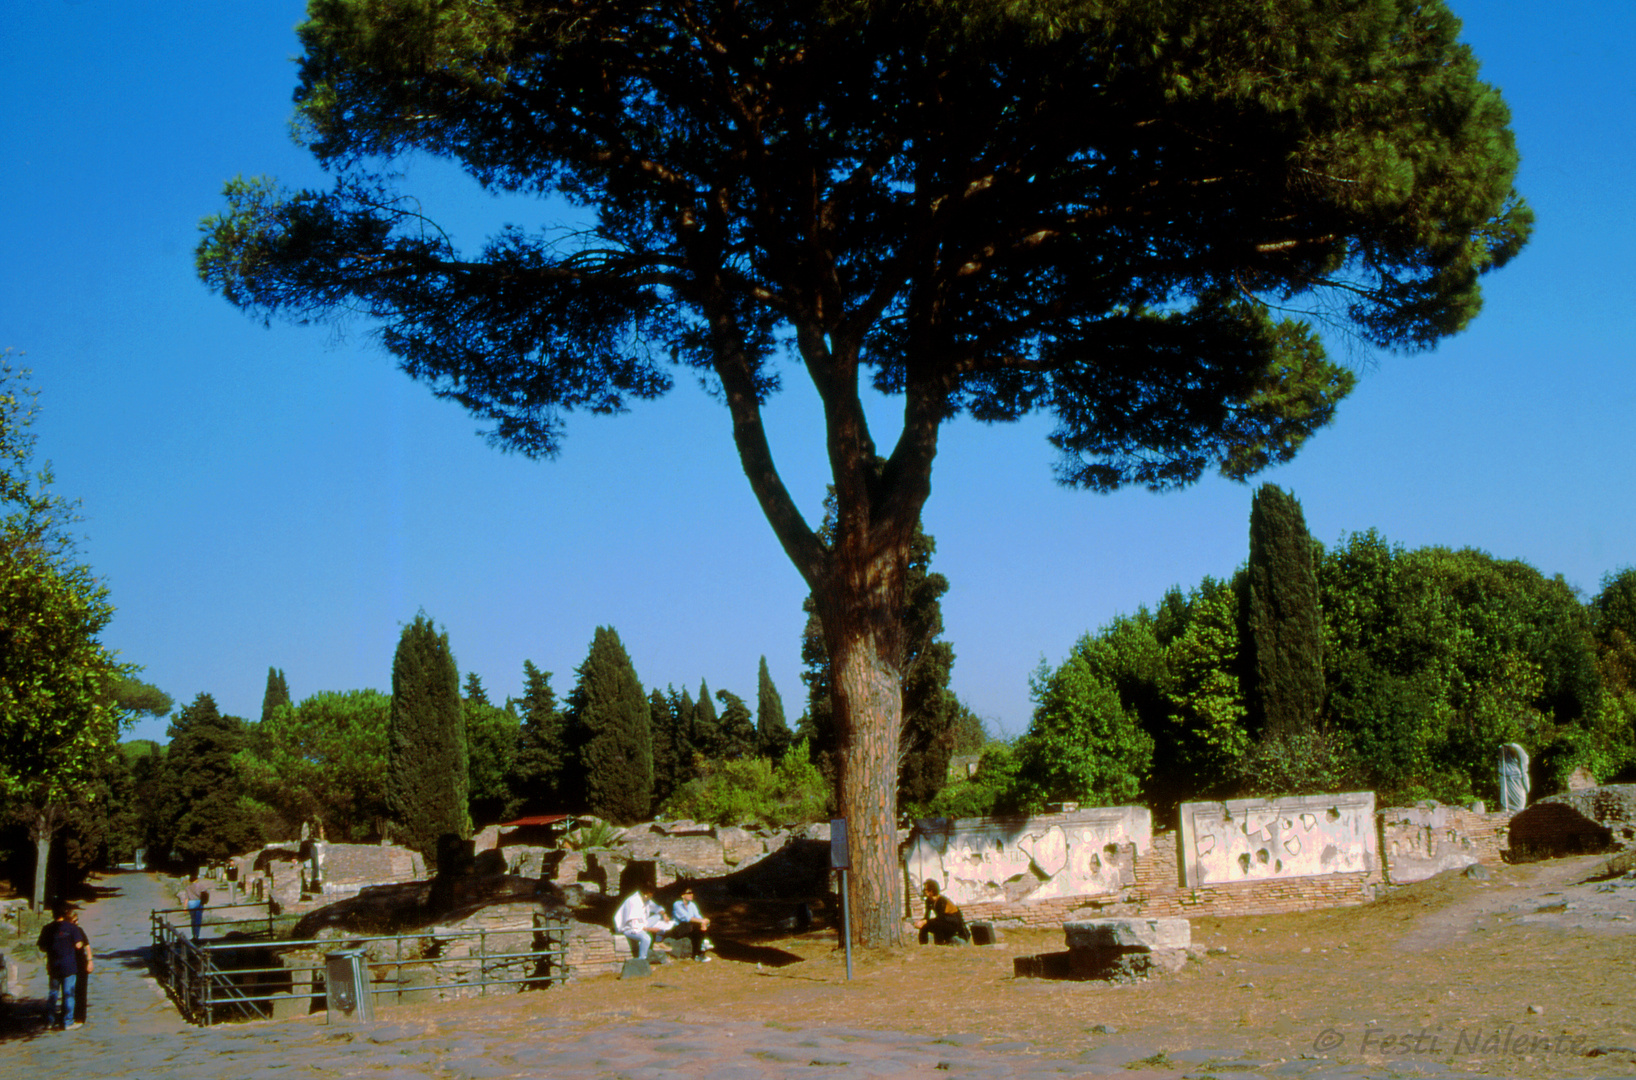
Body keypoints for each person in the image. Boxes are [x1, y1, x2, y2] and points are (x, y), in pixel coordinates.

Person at [35, 903, 88, 1030]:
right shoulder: (72, 928)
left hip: (53, 965)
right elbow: (79, 945)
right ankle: (67, 1021)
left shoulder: (47, 928)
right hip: (69, 965)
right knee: (68, 994)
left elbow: (42, 947)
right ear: (65, 915)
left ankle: (50, 1021)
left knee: (53, 994)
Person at [613, 887, 671, 961]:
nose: (650, 898)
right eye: (649, 896)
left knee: (658, 916)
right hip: (630, 929)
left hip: (642, 924)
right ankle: (642, 960)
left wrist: (664, 915)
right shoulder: (633, 901)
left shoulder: (646, 899)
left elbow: (657, 908)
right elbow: (635, 925)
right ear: (644, 894)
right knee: (646, 938)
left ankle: (658, 942)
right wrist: (650, 929)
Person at [916, 879, 968, 945]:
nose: (924, 891)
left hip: (952, 924)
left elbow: (941, 917)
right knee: (925, 925)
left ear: (931, 891)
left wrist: (926, 921)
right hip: (943, 921)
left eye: (925, 889)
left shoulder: (941, 900)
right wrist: (921, 922)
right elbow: (927, 916)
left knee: (937, 924)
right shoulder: (928, 901)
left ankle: (939, 944)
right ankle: (923, 945)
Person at [669, 887, 714, 962]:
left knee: (698, 925)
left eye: (692, 893)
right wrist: (702, 921)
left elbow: (698, 916)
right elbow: (686, 918)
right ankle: (704, 942)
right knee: (694, 925)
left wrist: (705, 921)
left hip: (689, 926)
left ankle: (701, 950)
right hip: (678, 928)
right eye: (688, 893)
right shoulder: (677, 904)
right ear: (682, 895)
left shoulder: (692, 904)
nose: (691, 895)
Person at [69, 909, 94, 1026]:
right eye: (74, 921)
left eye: (77, 920)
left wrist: (90, 961)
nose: (77, 923)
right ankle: (69, 1015)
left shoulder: (79, 931)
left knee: (81, 990)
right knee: (69, 990)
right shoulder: (66, 932)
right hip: (69, 963)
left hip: (80, 963)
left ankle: (80, 1017)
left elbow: (87, 945)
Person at [179, 875, 210, 943]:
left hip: (191, 903)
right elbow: (206, 892)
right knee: (198, 920)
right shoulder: (200, 886)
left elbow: (186, 898)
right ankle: (197, 935)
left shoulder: (187, 887)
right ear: (196, 879)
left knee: (193, 920)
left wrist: (184, 908)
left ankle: (193, 935)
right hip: (198, 903)